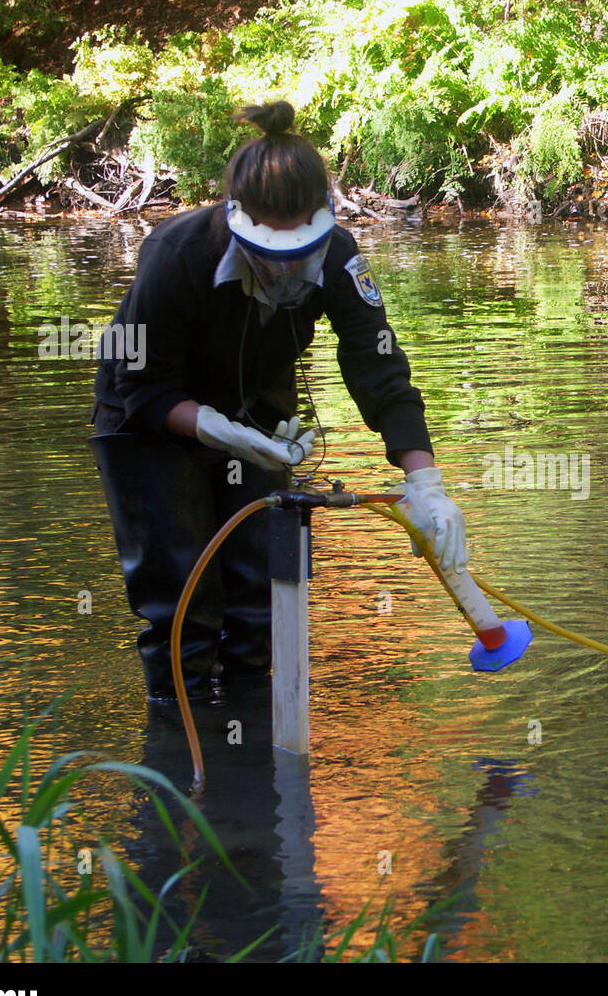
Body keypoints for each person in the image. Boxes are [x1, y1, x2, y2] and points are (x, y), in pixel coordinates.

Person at [88, 100, 467, 704]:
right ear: (240, 222)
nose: (286, 269)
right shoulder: (176, 254)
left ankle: (252, 744)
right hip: (148, 423)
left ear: (324, 220)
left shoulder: (342, 257)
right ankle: (184, 749)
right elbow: (143, 385)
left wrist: (428, 485)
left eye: (301, 252)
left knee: (264, 593)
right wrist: (215, 430)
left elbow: (379, 368)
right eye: (270, 253)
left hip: (261, 416)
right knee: (183, 601)